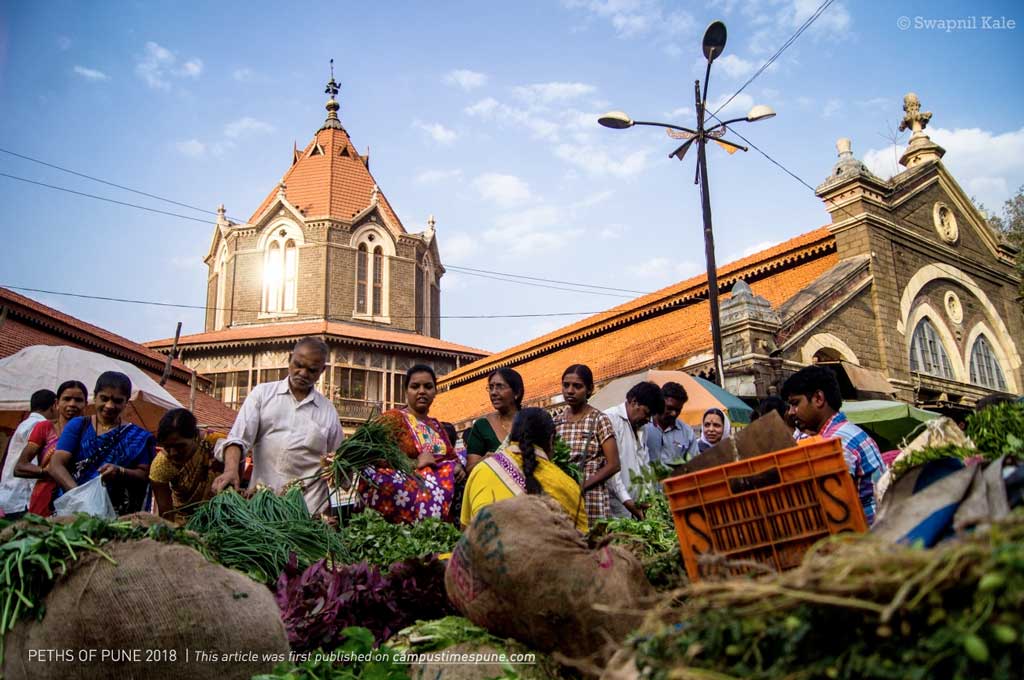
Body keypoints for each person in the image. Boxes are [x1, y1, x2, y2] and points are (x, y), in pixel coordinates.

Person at [213, 337, 343, 516]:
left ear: (322, 371)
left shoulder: (328, 412)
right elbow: (238, 439)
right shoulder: (262, 394)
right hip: (261, 507)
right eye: (298, 365)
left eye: (312, 370)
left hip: (307, 514)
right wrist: (230, 470)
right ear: (290, 358)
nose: (303, 373)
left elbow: (340, 464)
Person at [359, 364, 466, 524]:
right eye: (415, 386)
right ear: (406, 391)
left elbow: (451, 457)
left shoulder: (437, 426)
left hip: (437, 514)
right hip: (398, 509)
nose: (422, 391)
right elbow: (371, 458)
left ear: (435, 392)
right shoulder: (392, 419)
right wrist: (414, 464)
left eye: (428, 387)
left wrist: (458, 468)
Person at [782, 365, 886, 525]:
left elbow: (834, 512)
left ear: (818, 398)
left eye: (795, 403)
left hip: (866, 538)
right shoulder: (849, 431)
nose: (791, 412)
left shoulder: (835, 442)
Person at [461, 407, 588, 533]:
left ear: (511, 437)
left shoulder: (482, 470)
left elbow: (465, 532)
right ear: (551, 440)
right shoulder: (567, 485)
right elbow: (581, 542)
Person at [46, 372, 156, 515]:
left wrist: (120, 471)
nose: (109, 406)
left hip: (115, 515)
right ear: (95, 396)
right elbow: (56, 465)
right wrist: (82, 498)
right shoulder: (78, 426)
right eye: (104, 398)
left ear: (126, 402)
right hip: (73, 509)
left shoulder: (138, 437)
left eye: (117, 401)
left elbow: (144, 475)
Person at [552, 364, 621, 526]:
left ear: (589, 390)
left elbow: (614, 464)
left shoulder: (599, 420)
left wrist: (583, 485)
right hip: (564, 498)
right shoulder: (556, 422)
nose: (570, 391)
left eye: (577, 386)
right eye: (566, 385)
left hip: (592, 499)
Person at [14, 381, 88, 517]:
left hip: (78, 499)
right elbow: (20, 467)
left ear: (85, 404)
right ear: (56, 403)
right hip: (44, 499)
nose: (72, 404)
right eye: (66, 399)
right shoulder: (45, 428)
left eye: (78, 400)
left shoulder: (91, 431)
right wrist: (50, 471)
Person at [150, 408, 227, 522]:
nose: (173, 453)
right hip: (184, 523)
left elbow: (237, 463)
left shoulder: (217, 443)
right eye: (167, 447)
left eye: (180, 446)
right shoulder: (161, 465)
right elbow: (166, 513)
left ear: (196, 437)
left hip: (222, 517)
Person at [605, 382, 664, 519]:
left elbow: (644, 463)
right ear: (634, 402)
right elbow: (611, 469)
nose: (647, 420)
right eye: (646, 414)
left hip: (638, 506)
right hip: (617, 508)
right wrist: (627, 501)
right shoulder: (610, 419)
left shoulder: (642, 427)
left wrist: (649, 497)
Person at [0, 389, 57, 516]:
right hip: (21, 499)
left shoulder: (25, 424)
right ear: (54, 405)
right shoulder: (39, 425)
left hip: (10, 494)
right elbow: (33, 463)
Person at [465, 368, 524, 471]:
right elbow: (470, 469)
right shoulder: (482, 426)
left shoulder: (531, 422)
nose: (493, 393)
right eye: (491, 387)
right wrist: (486, 461)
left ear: (517, 393)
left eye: (500, 387)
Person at [645, 381, 699, 470]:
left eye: (678, 410)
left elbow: (694, 464)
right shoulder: (643, 427)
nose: (674, 414)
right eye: (669, 408)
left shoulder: (687, 433)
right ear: (660, 402)